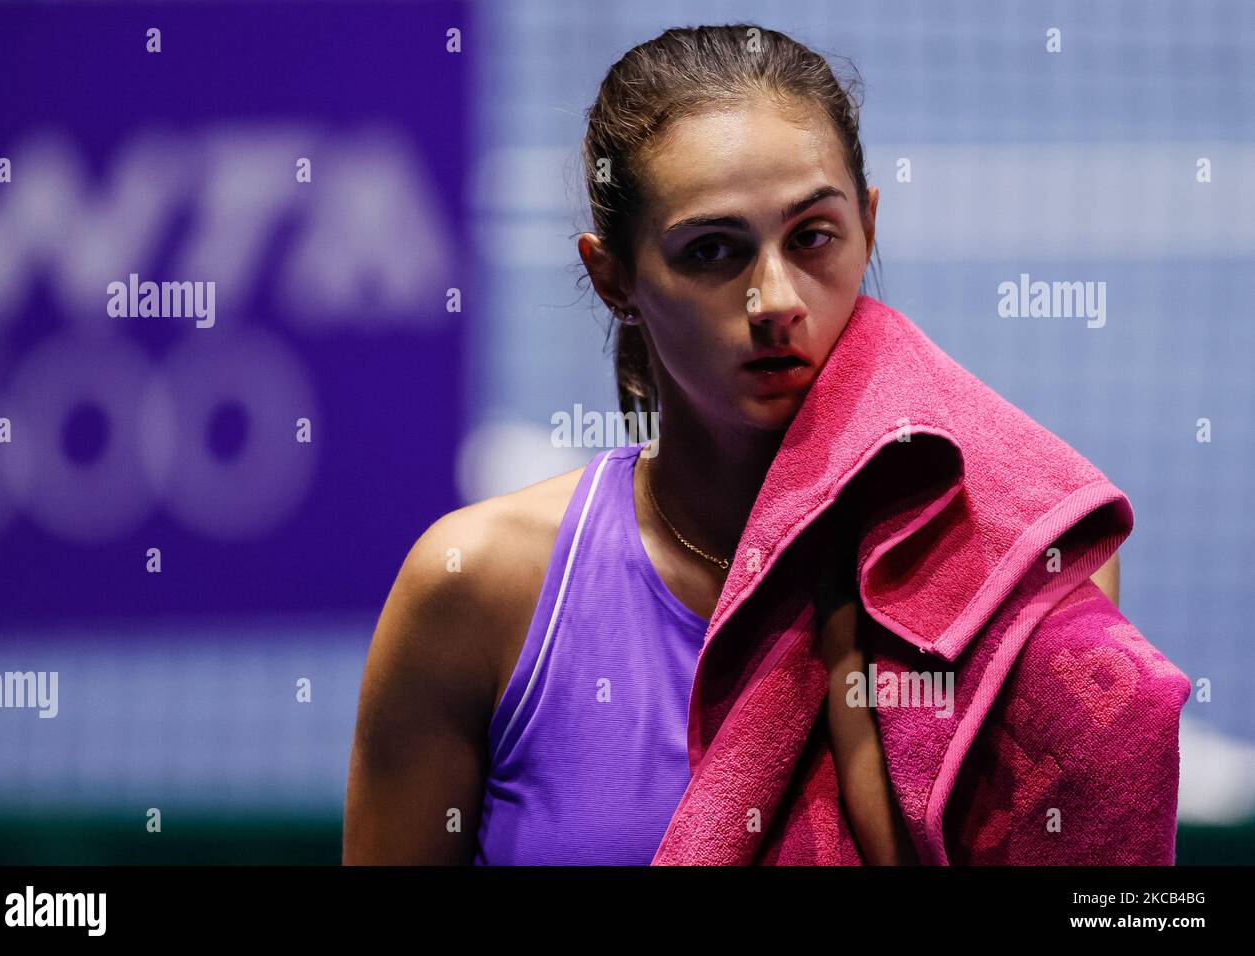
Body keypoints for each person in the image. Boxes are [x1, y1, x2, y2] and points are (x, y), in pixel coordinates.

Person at [342, 23, 1119, 866]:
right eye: (713, 251)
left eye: (813, 236)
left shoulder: (1020, 554)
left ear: (867, 223)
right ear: (614, 278)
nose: (775, 298)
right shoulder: (476, 591)